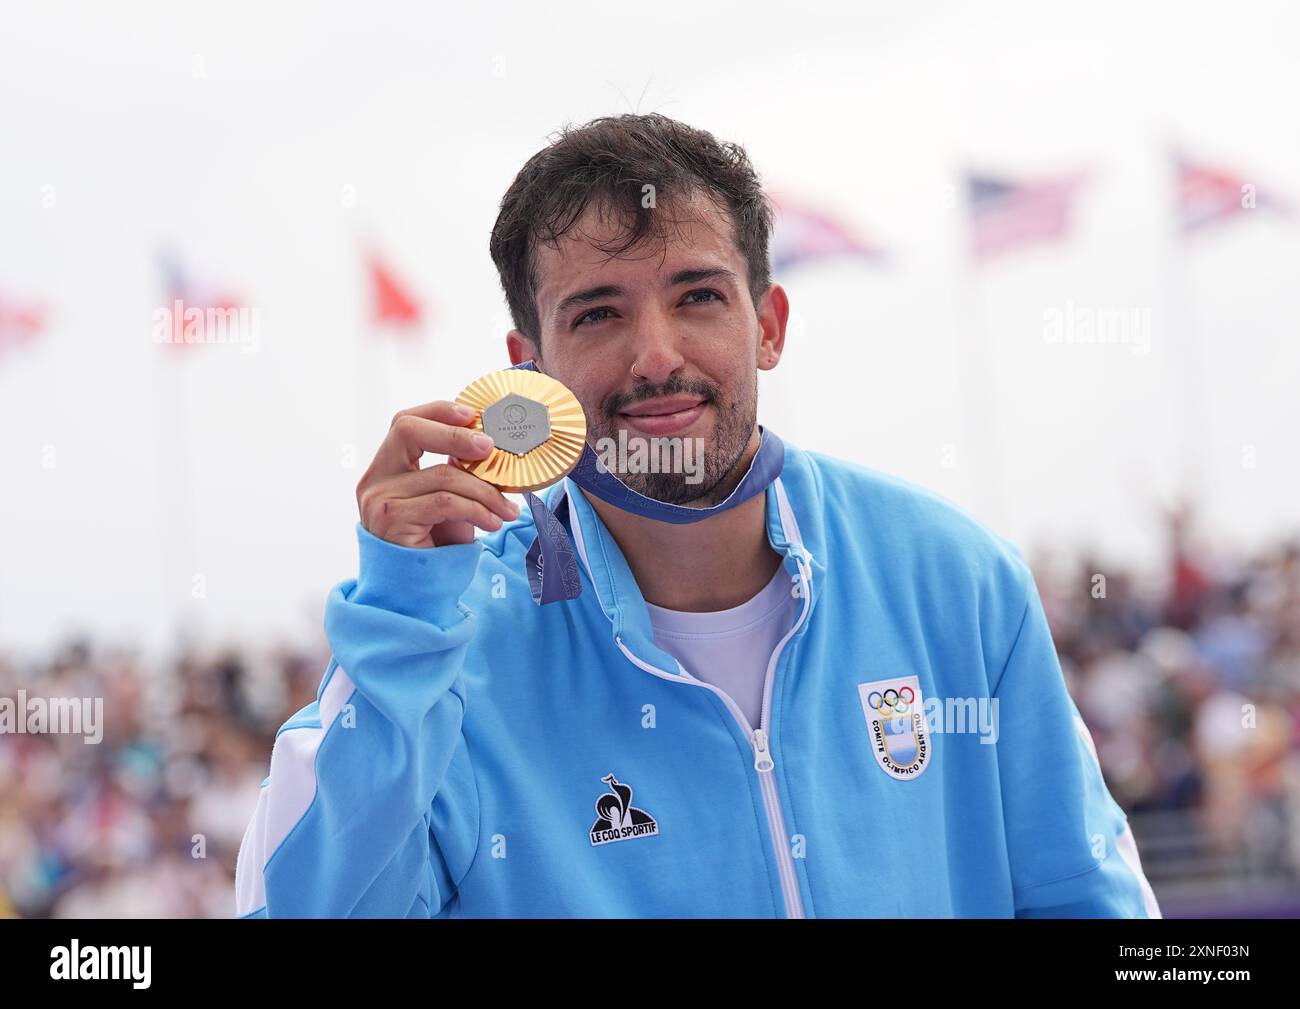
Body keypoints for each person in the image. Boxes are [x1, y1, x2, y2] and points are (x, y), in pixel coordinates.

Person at [234, 113, 1160, 918]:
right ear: (531, 368)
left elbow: (1090, 897)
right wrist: (400, 628)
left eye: (699, 297)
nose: (655, 355)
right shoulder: (444, 643)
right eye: (597, 314)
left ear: (769, 324)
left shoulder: (955, 581)